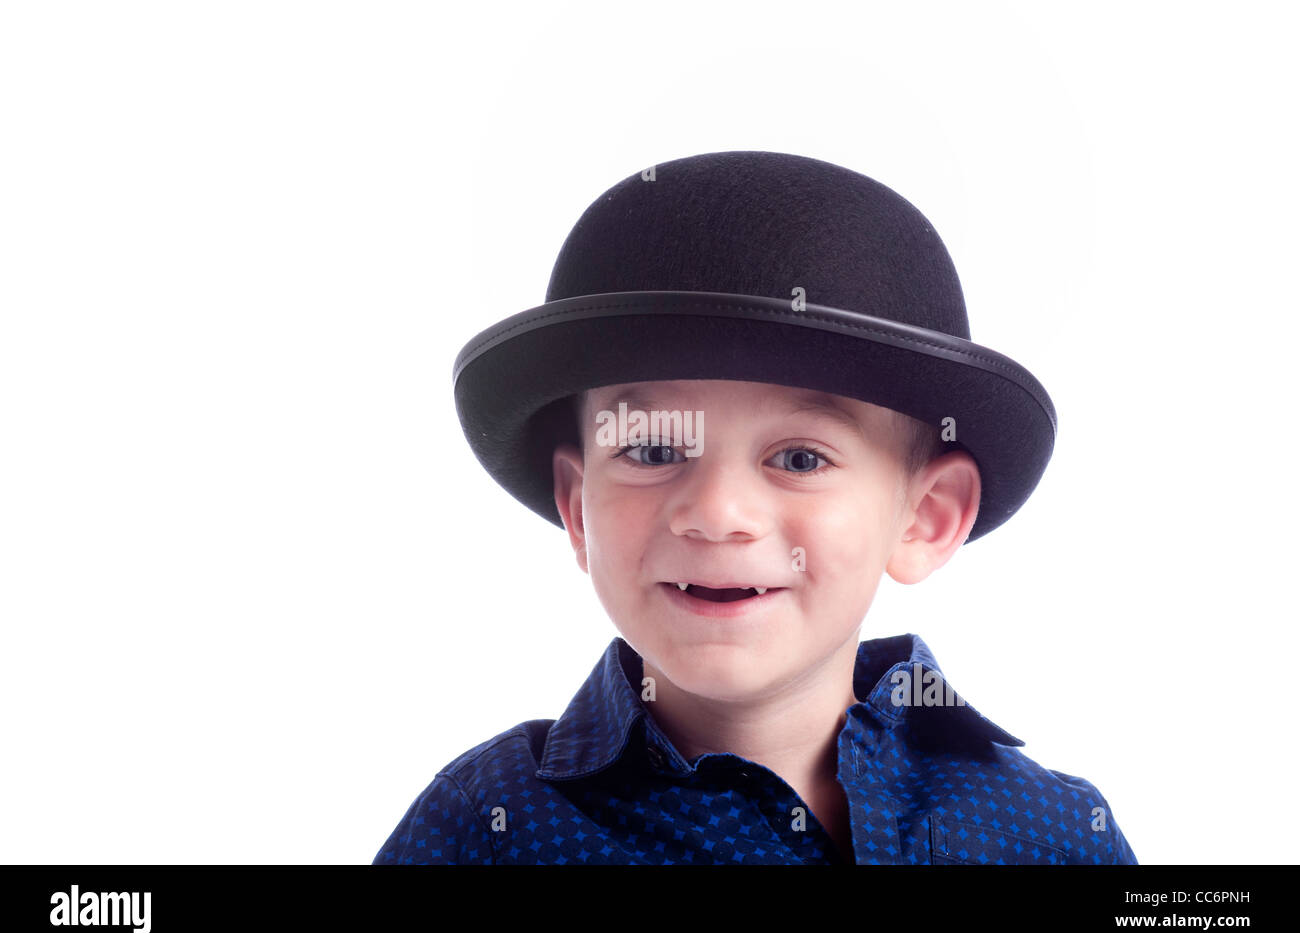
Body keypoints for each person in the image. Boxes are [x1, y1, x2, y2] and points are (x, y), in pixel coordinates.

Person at [373, 150, 1138, 864]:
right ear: (578, 507)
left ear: (926, 516)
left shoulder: (1050, 834)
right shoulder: (487, 830)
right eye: (651, 450)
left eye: (800, 458)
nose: (716, 512)